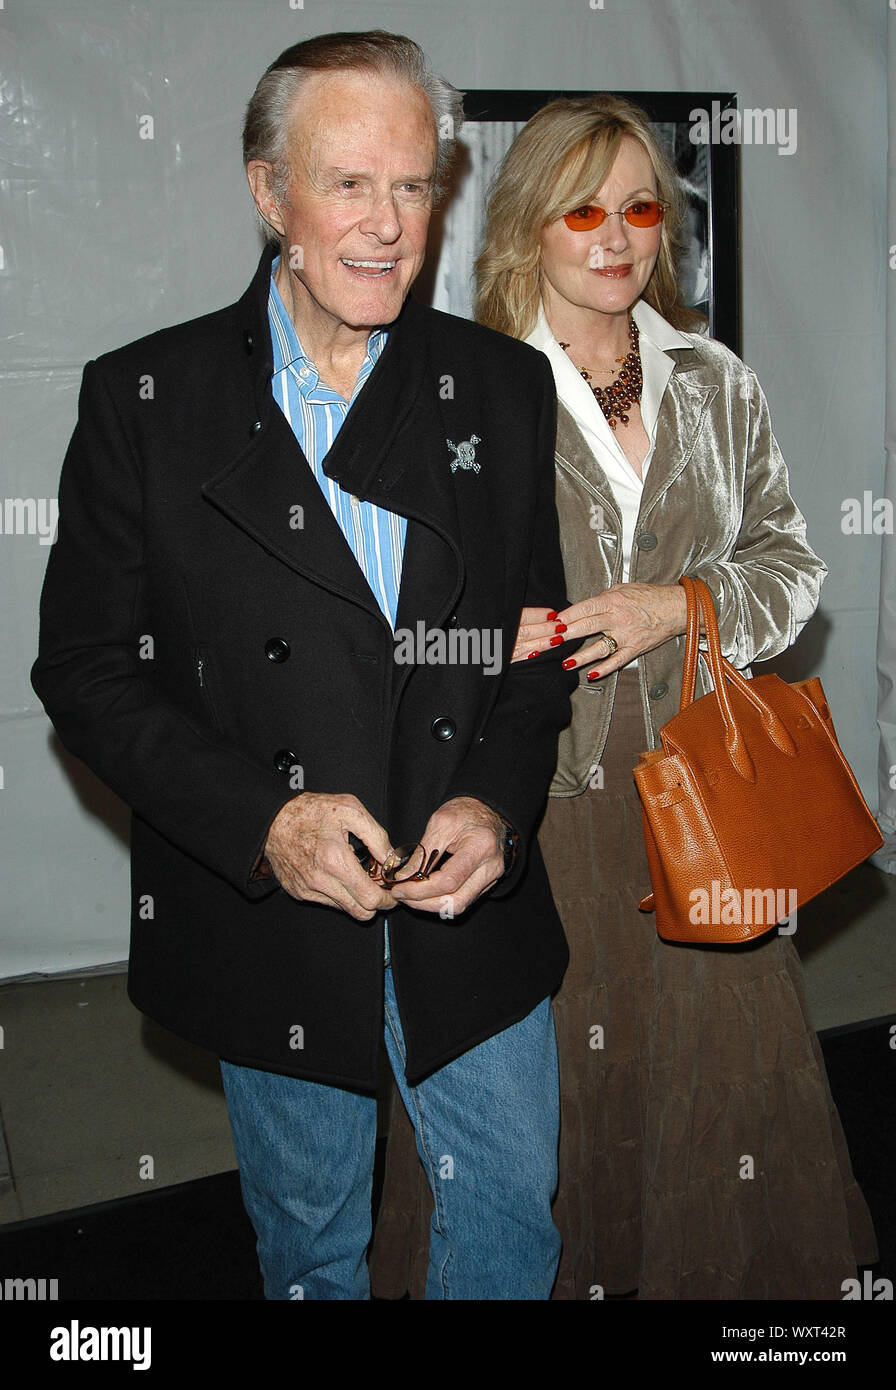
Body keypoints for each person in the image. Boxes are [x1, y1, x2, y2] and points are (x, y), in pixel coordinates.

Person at [31, 32, 578, 1300]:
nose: (388, 225)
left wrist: (493, 804)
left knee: (508, 1225)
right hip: (273, 920)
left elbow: (529, 642)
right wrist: (262, 822)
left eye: (413, 183)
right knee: (314, 1252)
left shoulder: (495, 387)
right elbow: (87, 671)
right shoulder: (147, 402)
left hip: (466, 908)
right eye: (348, 184)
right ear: (267, 191)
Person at [369, 94, 878, 1300]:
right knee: (540, 1094)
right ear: (525, 226)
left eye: (639, 205)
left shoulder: (710, 379)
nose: (614, 235)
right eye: (580, 207)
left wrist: (681, 606)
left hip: (702, 791)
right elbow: (388, 621)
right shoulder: (460, 388)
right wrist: (494, 640)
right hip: (531, 800)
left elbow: (788, 568)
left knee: (715, 1075)